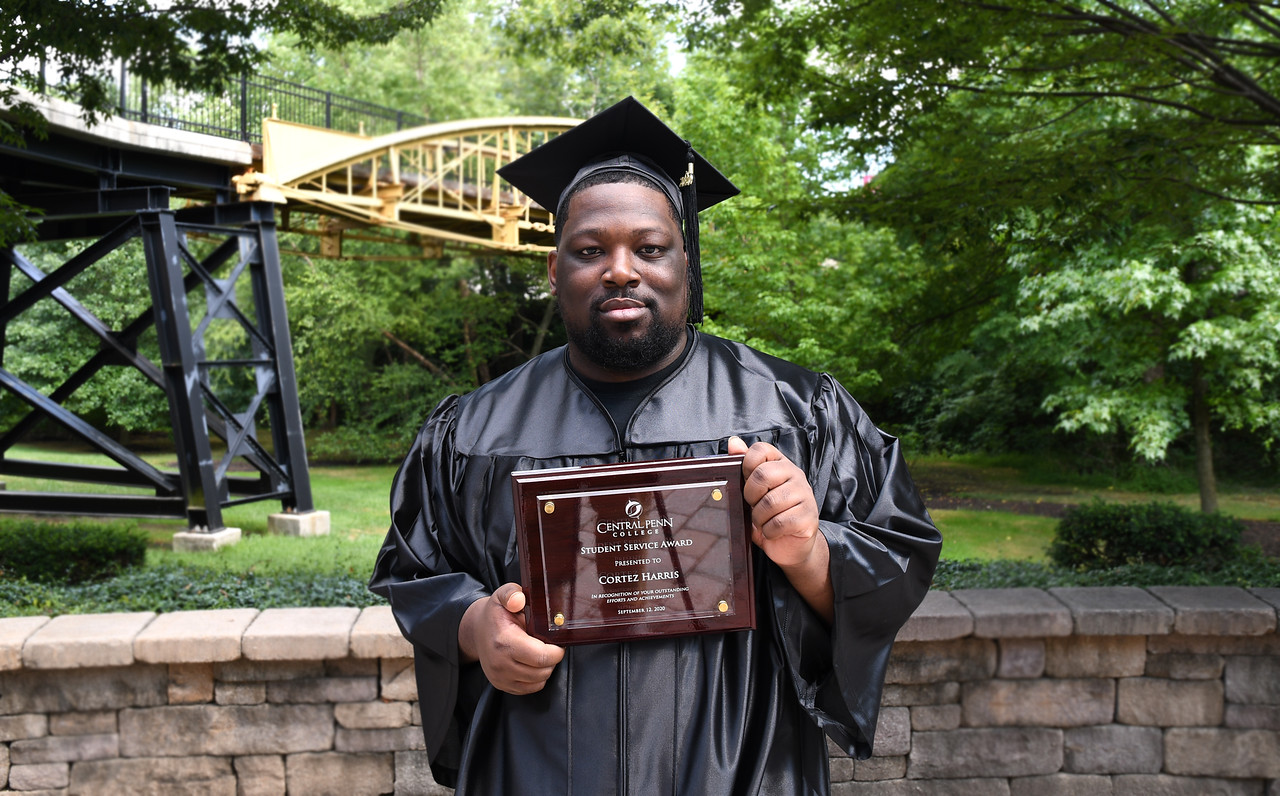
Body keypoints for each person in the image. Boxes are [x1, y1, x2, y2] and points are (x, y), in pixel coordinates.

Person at [369, 97, 941, 795]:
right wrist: (474, 626)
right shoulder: (472, 431)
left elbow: (897, 557)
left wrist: (810, 551)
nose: (619, 270)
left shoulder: (798, 411)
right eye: (589, 250)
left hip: (744, 771)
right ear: (555, 272)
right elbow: (415, 572)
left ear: (685, 263)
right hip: (533, 766)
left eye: (649, 247)